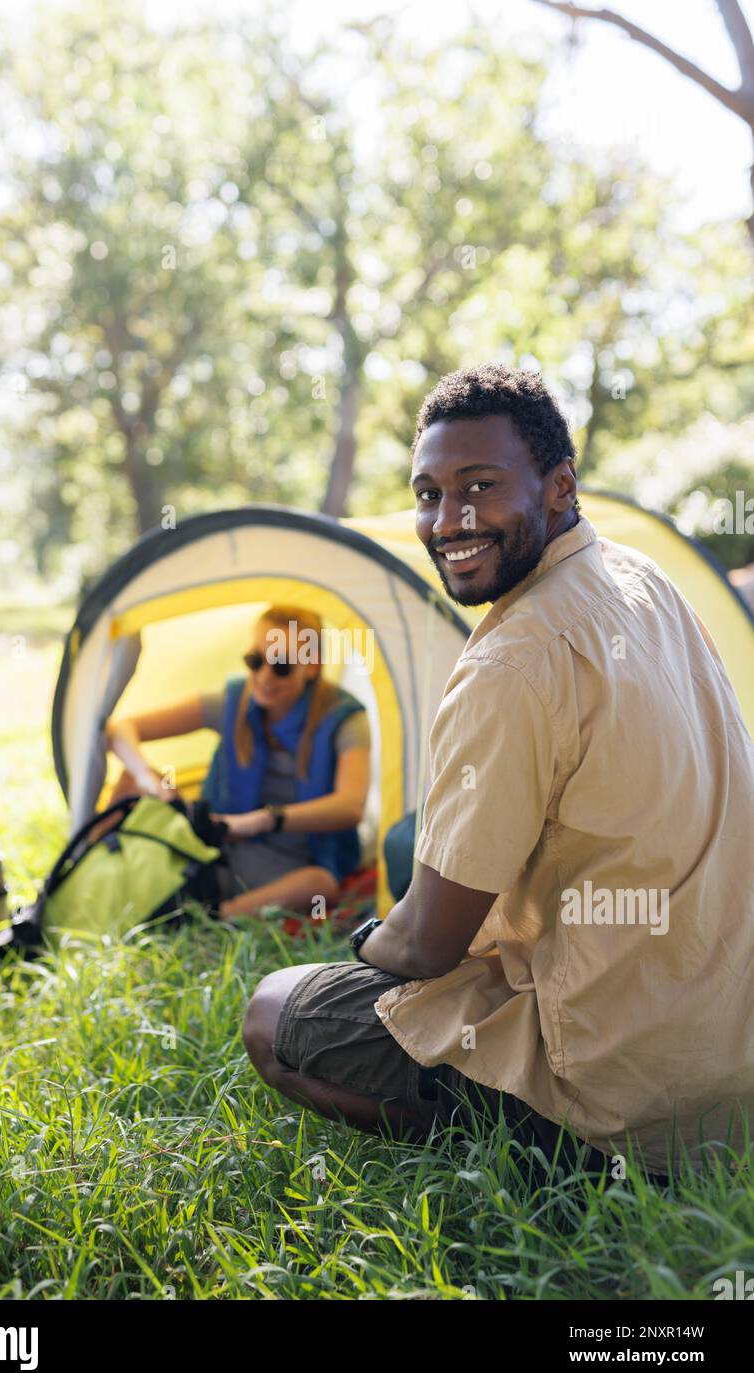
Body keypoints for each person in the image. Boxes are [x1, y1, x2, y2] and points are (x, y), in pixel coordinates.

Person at [243, 363, 754, 1185]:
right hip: (731, 1051)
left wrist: (371, 938)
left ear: (558, 487)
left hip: (627, 1083)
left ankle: (556, 1159)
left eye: (479, 486)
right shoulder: (642, 578)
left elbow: (426, 944)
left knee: (274, 1014)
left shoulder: (514, 662)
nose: (449, 520)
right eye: (428, 494)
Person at [103, 605, 371, 920]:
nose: (263, 677)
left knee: (319, 885)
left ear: (312, 666)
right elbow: (119, 729)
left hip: (286, 859)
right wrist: (152, 782)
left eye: (281, 666)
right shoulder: (233, 700)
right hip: (215, 838)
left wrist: (261, 820)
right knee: (130, 779)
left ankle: (214, 917)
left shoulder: (345, 718)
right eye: (254, 661)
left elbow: (351, 807)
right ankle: (91, 865)